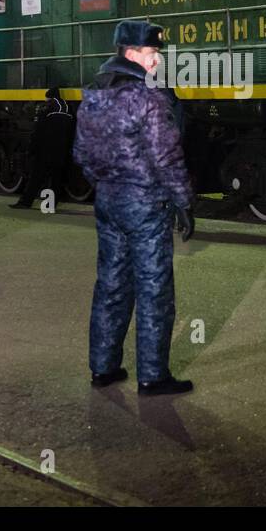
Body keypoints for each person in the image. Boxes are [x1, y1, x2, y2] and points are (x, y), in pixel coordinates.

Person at [73, 20, 196, 396]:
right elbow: (167, 157)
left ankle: (104, 368)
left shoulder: (93, 94)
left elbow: (81, 154)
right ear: (131, 53)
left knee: (110, 284)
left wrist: (107, 183)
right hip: (145, 205)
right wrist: (184, 201)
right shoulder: (147, 97)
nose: (157, 61)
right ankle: (152, 376)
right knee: (154, 288)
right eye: (152, 53)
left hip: (108, 201)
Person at [10, 87, 76, 210]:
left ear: (48, 97)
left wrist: (32, 148)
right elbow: (72, 130)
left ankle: (25, 202)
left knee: (36, 177)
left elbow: (38, 130)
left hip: (46, 148)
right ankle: (50, 205)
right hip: (61, 149)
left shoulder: (47, 107)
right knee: (56, 178)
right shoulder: (68, 108)